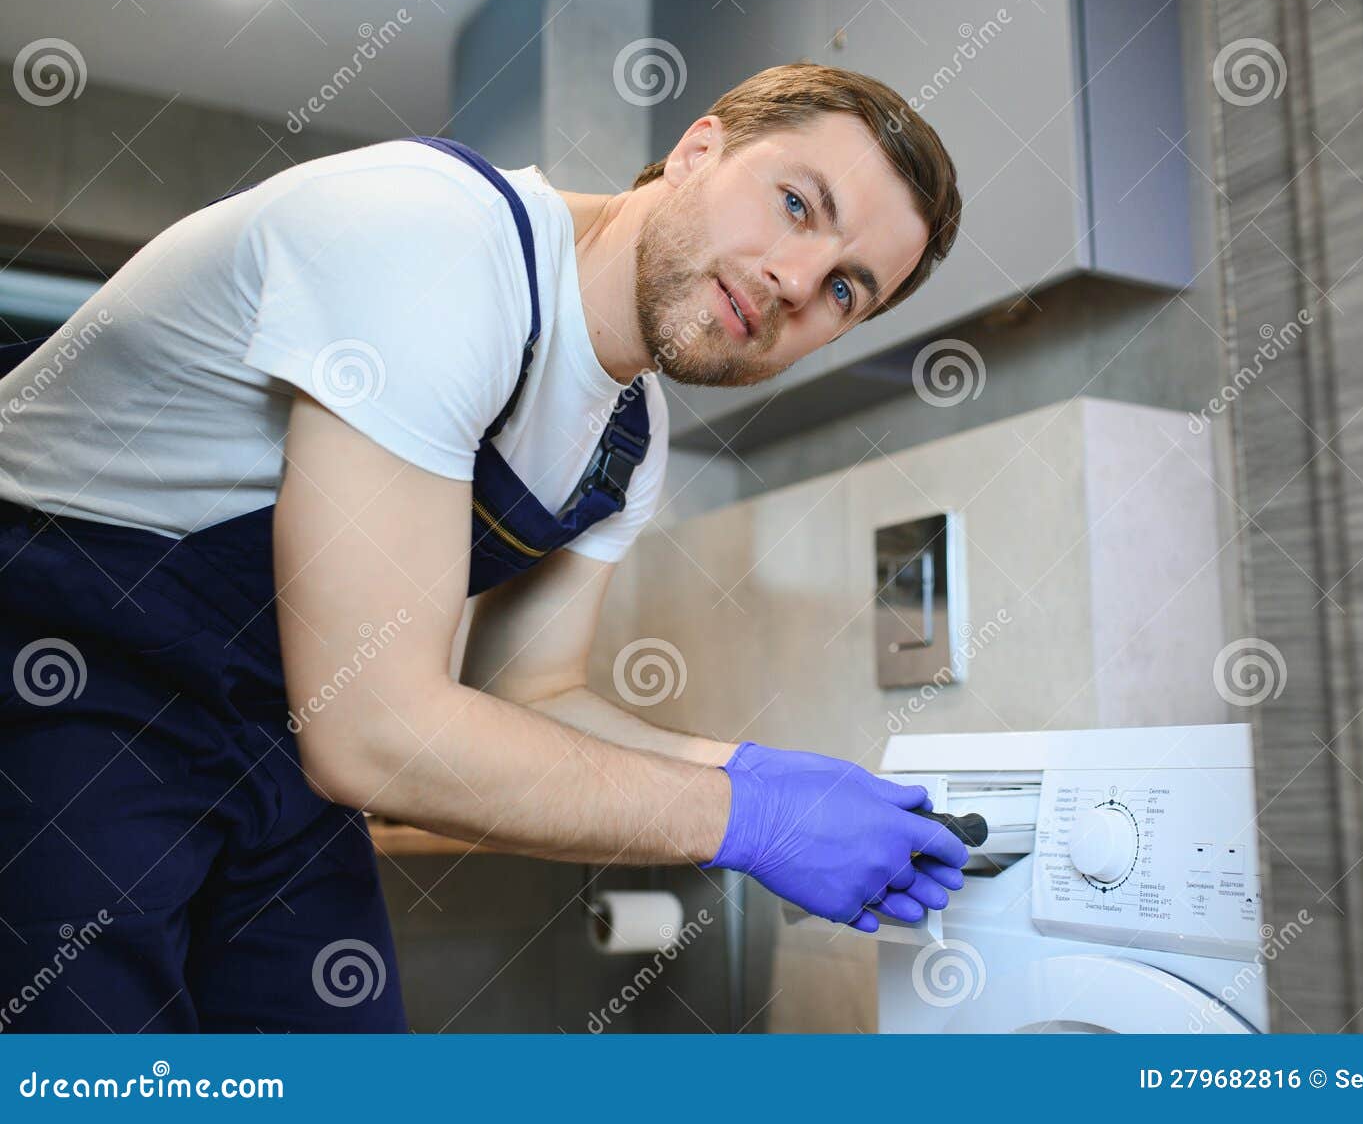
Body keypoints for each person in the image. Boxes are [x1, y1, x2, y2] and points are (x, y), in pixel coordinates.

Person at [0, 63, 964, 1032]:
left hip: (273, 737)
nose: (795, 281)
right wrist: (744, 823)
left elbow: (529, 695)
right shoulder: (434, 238)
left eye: (845, 288)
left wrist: (751, 770)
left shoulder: (626, 442)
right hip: (58, 684)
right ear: (696, 150)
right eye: (796, 203)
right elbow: (372, 733)